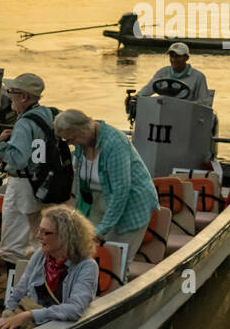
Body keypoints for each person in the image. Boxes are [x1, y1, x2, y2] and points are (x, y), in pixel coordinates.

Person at [54, 108, 159, 279]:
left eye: (72, 138)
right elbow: (82, 184)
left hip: (130, 205)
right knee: (82, 254)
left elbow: (120, 192)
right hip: (98, 200)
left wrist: (101, 231)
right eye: (68, 140)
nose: (71, 143)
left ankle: (118, 296)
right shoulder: (83, 142)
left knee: (116, 262)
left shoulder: (114, 143)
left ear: (83, 128)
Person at [0, 206, 98, 329]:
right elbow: (20, 290)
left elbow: (75, 309)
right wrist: (7, 315)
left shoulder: (87, 266)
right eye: (39, 230)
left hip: (59, 326)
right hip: (30, 316)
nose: (38, 236)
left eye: (46, 233)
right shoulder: (41, 255)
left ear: (65, 237)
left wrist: (29, 315)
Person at [0, 73, 53, 265]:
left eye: (11, 92)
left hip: (22, 184)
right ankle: (39, 273)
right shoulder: (46, 114)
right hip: (39, 182)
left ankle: (13, 283)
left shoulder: (24, 123)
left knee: (12, 243)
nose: (8, 95)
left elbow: (18, 160)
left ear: (24, 96)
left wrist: (1, 144)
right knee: (37, 236)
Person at [137, 42, 211, 107]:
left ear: (186, 58)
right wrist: (136, 97)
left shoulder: (198, 77)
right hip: (164, 110)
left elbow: (204, 103)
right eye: (172, 56)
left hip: (186, 114)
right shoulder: (162, 72)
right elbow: (148, 89)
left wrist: (184, 105)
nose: (173, 60)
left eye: (177, 57)